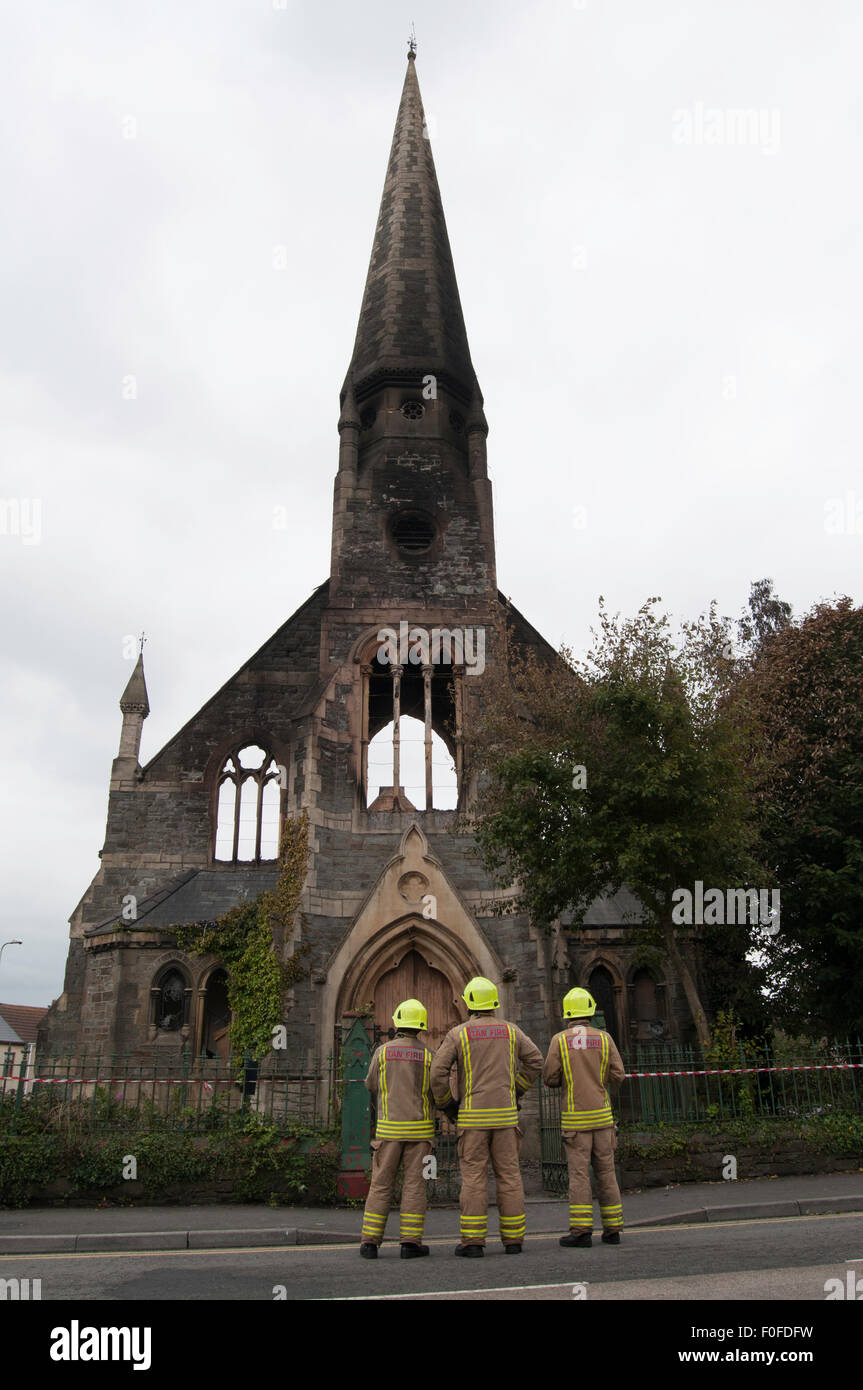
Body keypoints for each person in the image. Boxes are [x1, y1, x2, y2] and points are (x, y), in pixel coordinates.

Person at [430, 976, 543, 1257]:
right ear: (494, 1003)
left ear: (468, 1003)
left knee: (474, 1179)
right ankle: (514, 1240)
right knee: (509, 1176)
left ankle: (473, 1242)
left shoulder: (459, 1034)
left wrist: (448, 1104)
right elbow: (536, 1061)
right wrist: (514, 1089)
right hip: (505, 1117)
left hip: (472, 1119)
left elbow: (437, 1073)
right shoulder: (511, 1031)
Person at [543, 987, 626, 1247]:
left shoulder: (560, 1040)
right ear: (590, 1010)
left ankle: (581, 1231)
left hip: (576, 1123)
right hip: (603, 1118)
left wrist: (568, 1082)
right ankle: (612, 1230)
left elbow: (549, 1077)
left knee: (579, 1175)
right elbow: (618, 1074)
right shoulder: (604, 1039)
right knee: (606, 1172)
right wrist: (599, 1083)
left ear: (567, 1012)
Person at [360, 998, 436, 1259]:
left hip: (388, 1132)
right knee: (415, 1186)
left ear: (397, 1022)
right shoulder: (428, 1055)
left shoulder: (382, 1052)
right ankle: (410, 1244)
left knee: (380, 1185)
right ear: (421, 1025)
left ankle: (370, 1243)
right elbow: (437, 1091)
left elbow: (370, 1084)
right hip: (420, 1133)